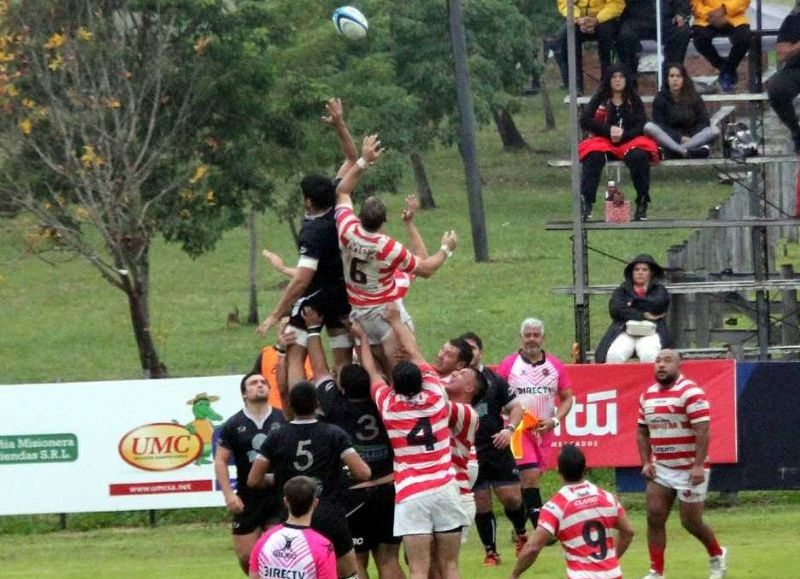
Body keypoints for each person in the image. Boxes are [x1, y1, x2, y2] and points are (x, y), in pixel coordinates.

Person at [351, 314, 470, 579]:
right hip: (445, 489)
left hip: (412, 493)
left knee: (418, 568)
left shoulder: (390, 407)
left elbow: (371, 372)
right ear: (422, 380)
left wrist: (362, 339)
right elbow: (415, 353)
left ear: (394, 385)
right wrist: (395, 321)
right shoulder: (436, 396)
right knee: (450, 565)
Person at [333, 122, 458, 374]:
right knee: (409, 373)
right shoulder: (389, 251)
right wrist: (446, 249)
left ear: (360, 216)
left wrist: (364, 161)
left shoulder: (347, 229)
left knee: (377, 378)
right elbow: (425, 267)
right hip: (386, 317)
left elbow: (342, 189)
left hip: (359, 316)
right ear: (383, 222)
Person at [256, 99, 357, 387]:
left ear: (309, 201)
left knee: (295, 353)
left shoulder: (313, 232)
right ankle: (341, 404)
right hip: (343, 294)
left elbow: (302, 281)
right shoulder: (339, 201)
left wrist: (275, 315)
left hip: (317, 296)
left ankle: (300, 412)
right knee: (342, 359)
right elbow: (351, 159)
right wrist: (339, 124)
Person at [300, 307, 405, 579]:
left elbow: (320, 368)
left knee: (358, 560)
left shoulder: (333, 404)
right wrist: (363, 337)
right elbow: (382, 372)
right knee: (389, 559)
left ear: (342, 387)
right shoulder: (384, 401)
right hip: (388, 487)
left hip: (355, 491)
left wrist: (313, 329)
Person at [247, 381, 371, 579]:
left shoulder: (277, 436)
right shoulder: (334, 433)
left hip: (292, 516)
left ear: (289, 405)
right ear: (317, 404)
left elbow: (253, 480)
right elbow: (363, 473)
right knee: (349, 574)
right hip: (329, 515)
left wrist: (278, 479)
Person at [637, 349, 728, 579]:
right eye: (657, 360)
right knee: (654, 516)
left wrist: (698, 465)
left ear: (679, 365)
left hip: (690, 468)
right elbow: (641, 431)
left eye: (668, 361)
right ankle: (656, 571)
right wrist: (646, 461)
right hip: (662, 467)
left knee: (691, 522)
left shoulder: (691, 392)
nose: (661, 365)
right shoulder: (647, 395)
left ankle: (717, 554)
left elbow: (703, 431)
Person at [510, 444, 634, 579]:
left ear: (558, 470)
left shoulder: (555, 507)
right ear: (585, 469)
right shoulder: (607, 498)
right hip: (613, 575)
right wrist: (610, 559)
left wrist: (514, 574)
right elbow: (628, 531)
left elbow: (532, 548)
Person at [497, 318, 574, 533]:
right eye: (528, 335)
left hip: (544, 431)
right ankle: (542, 530)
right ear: (521, 338)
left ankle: (518, 525)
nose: (532, 339)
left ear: (543, 338)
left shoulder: (555, 365)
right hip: (518, 431)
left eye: (536, 335)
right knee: (530, 476)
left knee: (531, 478)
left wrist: (555, 420)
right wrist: (507, 415)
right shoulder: (509, 365)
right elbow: (495, 394)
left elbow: (567, 398)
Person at [459, 332, 529, 567]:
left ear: (481, 351)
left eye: (473, 348)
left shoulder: (494, 380)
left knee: (512, 498)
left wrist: (509, 430)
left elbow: (516, 408)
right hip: (469, 452)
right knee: (481, 502)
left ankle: (521, 533)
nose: (470, 353)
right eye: (465, 349)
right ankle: (491, 552)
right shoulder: (454, 382)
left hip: (496, 448)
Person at [214, 372, 287, 574]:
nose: (260, 385)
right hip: (247, 498)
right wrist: (229, 494)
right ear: (244, 394)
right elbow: (220, 460)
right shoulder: (233, 424)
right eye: (254, 383)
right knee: (247, 558)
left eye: (263, 382)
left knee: (277, 556)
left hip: (277, 497)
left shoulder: (282, 418)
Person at [579, 64, 659, 222]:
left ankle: (642, 201)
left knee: (639, 155)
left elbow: (641, 122)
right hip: (604, 139)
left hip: (629, 140)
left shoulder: (633, 98)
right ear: (608, 80)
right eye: (614, 77)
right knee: (593, 155)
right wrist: (608, 130)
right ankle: (587, 202)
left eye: (621, 77)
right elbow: (585, 120)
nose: (617, 80)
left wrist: (624, 135)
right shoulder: (601, 97)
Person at [249, 476, 336, 579]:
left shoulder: (265, 540)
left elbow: (254, 576)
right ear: (315, 503)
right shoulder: (323, 546)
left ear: (286, 502)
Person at [595, 254, 670, 364]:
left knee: (649, 355)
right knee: (614, 356)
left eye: (645, 270)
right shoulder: (621, 291)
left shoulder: (660, 290)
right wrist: (643, 315)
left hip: (652, 331)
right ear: (631, 272)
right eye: (637, 269)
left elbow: (658, 305)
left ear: (651, 273)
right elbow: (616, 310)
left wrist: (633, 303)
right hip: (625, 330)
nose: (640, 272)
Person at [644, 64, 721, 158]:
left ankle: (676, 152)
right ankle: (685, 151)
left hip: (692, 139)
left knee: (714, 130)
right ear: (667, 79)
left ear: (684, 79)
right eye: (671, 76)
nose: (675, 79)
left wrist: (689, 137)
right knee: (649, 127)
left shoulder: (694, 97)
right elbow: (660, 125)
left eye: (678, 76)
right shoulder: (660, 98)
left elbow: (703, 122)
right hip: (669, 140)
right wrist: (679, 138)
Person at [555, 0, 624, 94]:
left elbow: (616, 4)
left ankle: (607, 83)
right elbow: (564, 3)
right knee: (565, 37)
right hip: (579, 20)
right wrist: (578, 19)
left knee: (608, 39)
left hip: (605, 19)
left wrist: (597, 20)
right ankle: (575, 85)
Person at [616, 0, 691, 85]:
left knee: (682, 31)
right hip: (637, 19)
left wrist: (680, 14)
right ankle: (629, 81)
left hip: (666, 19)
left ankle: (669, 76)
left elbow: (682, 2)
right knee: (625, 35)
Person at [691, 0, 751, 93]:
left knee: (744, 39)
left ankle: (727, 71)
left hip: (734, 16)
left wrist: (724, 9)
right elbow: (695, 3)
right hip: (706, 19)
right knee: (699, 39)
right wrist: (709, 15)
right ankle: (726, 69)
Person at [767, 5, 800, 153]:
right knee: (777, 88)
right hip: (796, 68)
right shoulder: (794, 20)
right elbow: (781, 55)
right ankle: (796, 131)